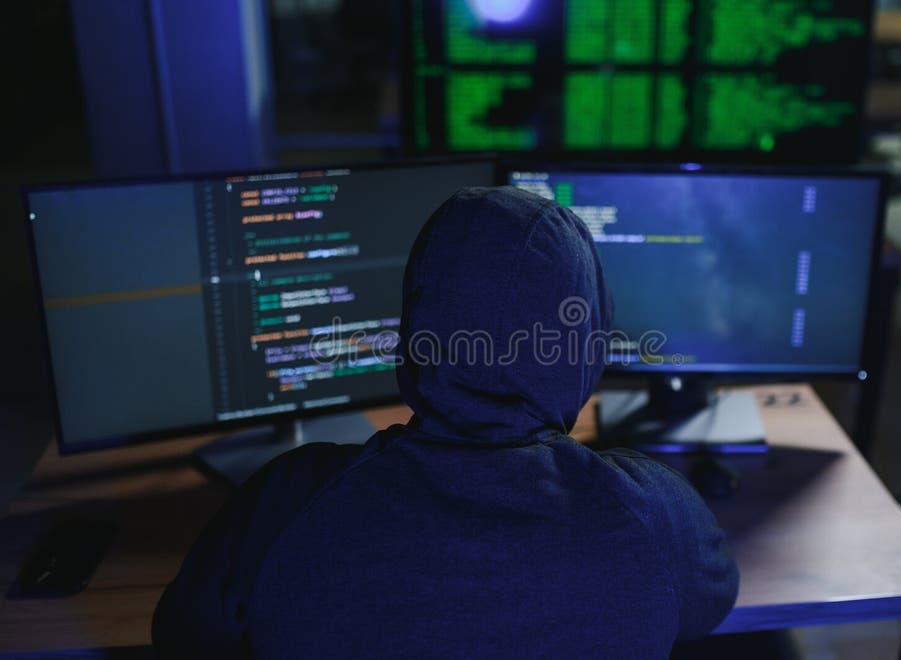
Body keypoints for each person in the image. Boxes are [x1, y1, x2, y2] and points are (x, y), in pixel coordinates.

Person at [152, 186, 739, 658]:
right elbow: (711, 601)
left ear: (414, 327)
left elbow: (182, 634)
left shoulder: (290, 500)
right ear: (585, 345)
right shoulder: (651, 511)